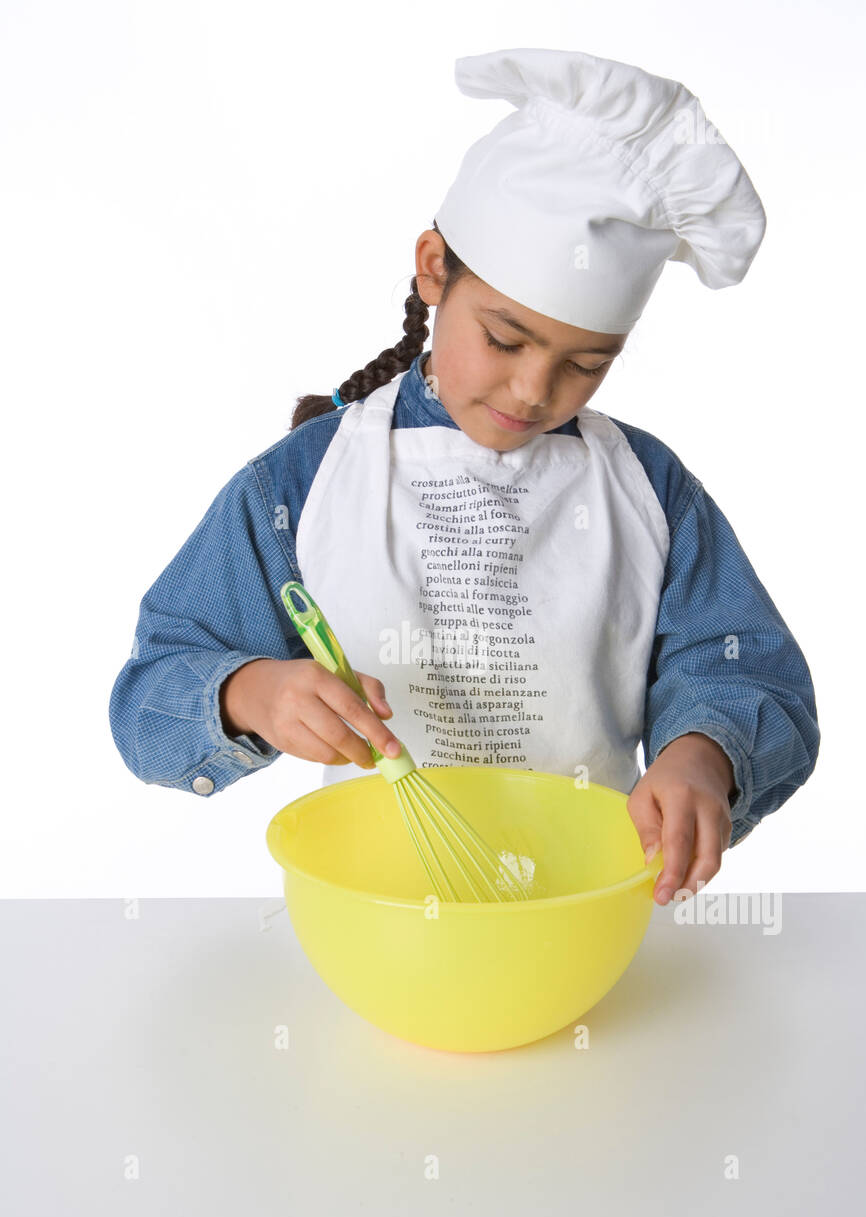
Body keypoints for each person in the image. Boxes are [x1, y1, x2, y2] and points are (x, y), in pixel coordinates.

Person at [108, 48, 820, 908]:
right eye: (506, 339)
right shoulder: (300, 484)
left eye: (586, 364)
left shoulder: (649, 489)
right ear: (433, 267)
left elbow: (748, 670)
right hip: (384, 910)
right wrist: (248, 693)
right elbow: (148, 697)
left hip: (583, 906)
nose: (533, 391)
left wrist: (703, 752)